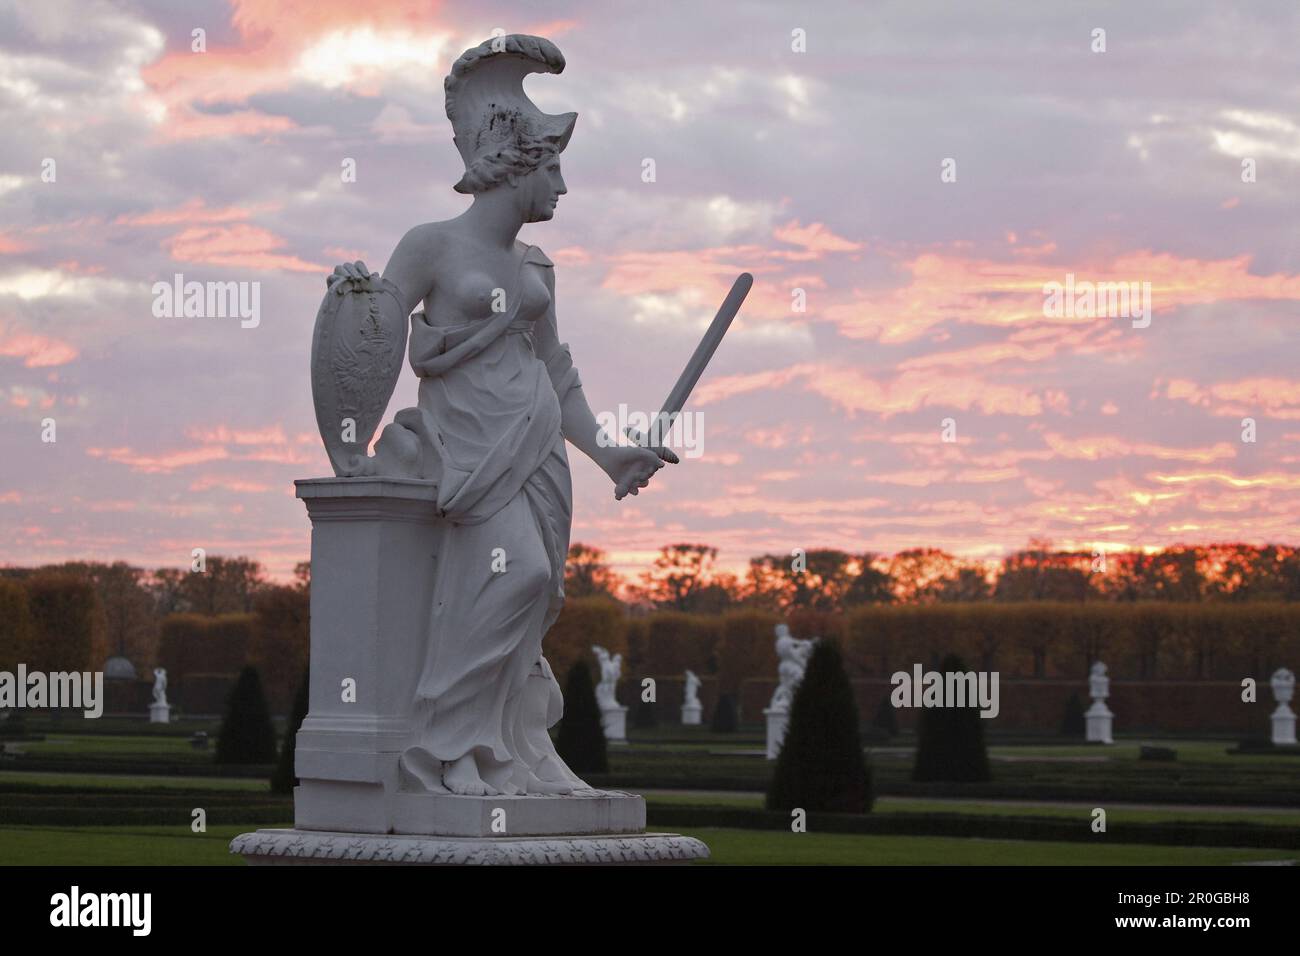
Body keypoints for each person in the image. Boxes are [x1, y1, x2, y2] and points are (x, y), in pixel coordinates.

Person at [327, 35, 669, 796]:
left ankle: (508, 750)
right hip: (469, 447)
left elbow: (557, 369)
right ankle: (446, 745)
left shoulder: (537, 267)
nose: (562, 187)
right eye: (553, 167)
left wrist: (609, 454)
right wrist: (352, 297)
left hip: (536, 442)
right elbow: (374, 340)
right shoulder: (432, 247)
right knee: (518, 576)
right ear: (516, 167)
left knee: (535, 596)